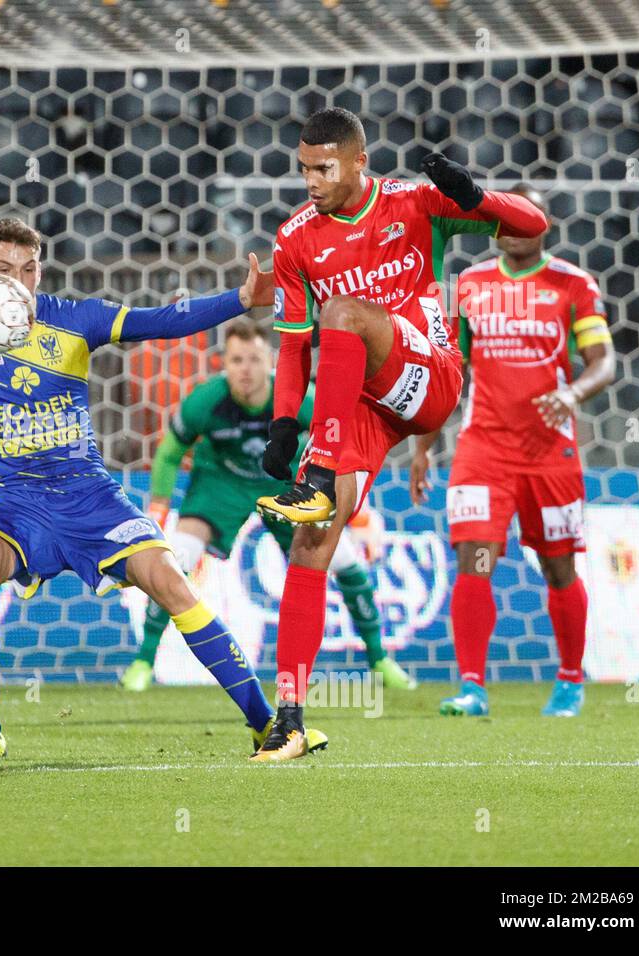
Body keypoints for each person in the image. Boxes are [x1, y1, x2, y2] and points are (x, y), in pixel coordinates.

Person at [0, 217, 326, 759]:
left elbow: (164, 321)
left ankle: (268, 724)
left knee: (170, 581)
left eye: (29, 270)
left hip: (90, 495)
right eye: (5, 271)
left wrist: (240, 298)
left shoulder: (74, 320)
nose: (19, 282)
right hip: (15, 501)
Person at [250, 107, 547, 760]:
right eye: (302, 169)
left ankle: (319, 474)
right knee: (311, 540)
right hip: (362, 405)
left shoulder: (415, 203)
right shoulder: (296, 238)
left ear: (360, 161)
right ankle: (292, 717)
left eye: (323, 168)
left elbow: (533, 224)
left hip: (431, 379)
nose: (310, 182)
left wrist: (475, 196)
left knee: (346, 313)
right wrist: (280, 424)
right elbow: (296, 350)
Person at [120, 321, 414, 692]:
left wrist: (361, 516)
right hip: (220, 483)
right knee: (177, 557)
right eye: (236, 360)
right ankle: (144, 662)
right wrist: (159, 510)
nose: (245, 369)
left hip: (282, 482)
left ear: (270, 361)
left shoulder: (297, 397)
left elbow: (345, 446)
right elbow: (169, 452)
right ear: (222, 364)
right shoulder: (205, 399)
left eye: (254, 359)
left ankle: (380, 659)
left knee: (343, 560)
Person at [410, 185, 615, 718]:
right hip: (484, 450)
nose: (511, 226)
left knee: (558, 568)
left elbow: (603, 361)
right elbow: (447, 376)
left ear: (543, 223)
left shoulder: (573, 284)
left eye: (524, 216)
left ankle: (570, 681)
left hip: (551, 452)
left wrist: (571, 393)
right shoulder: (469, 287)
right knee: (474, 560)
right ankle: (472, 687)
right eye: (499, 217)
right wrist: (422, 449)